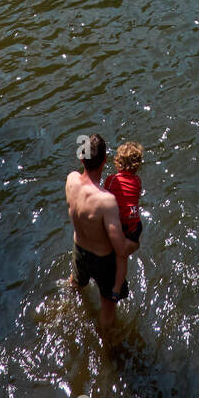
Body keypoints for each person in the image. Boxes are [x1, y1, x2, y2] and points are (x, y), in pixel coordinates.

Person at [66, 133, 132, 330]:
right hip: (102, 261)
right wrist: (135, 243)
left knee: (76, 283)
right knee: (108, 310)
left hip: (79, 249)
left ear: (82, 159)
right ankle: (107, 342)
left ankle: (66, 306)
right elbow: (120, 249)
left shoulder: (71, 180)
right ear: (104, 160)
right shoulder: (106, 201)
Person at [104, 142, 144, 292]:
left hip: (121, 225)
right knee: (123, 258)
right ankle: (117, 289)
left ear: (118, 162)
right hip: (135, 227)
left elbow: (104, 198)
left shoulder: (111, 180)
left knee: (117, 254)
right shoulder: (137, 181)